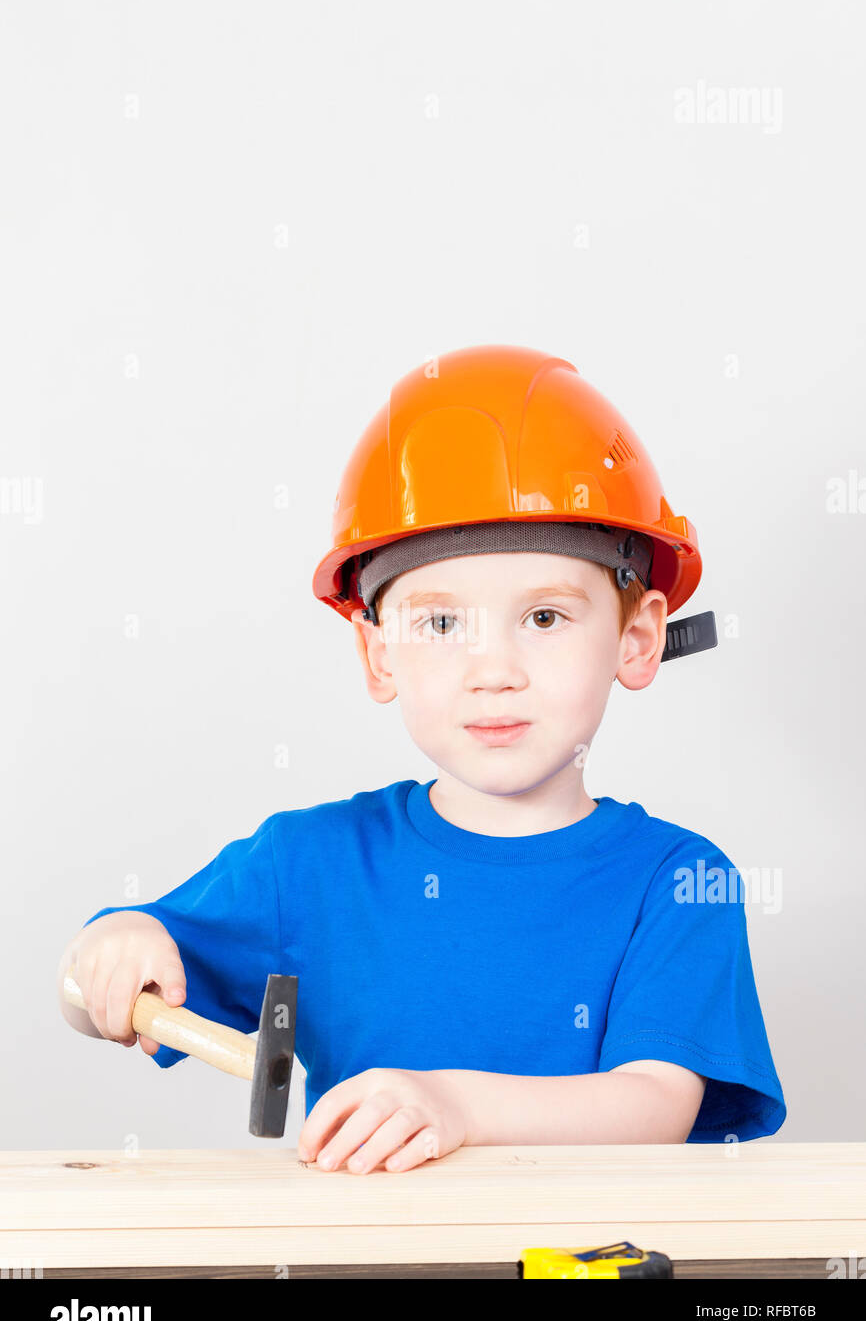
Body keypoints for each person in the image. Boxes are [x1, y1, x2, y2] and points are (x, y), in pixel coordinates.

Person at [57, 343, 785, 1174]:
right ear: (378, 656)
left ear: (638, 638)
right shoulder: (309, 867)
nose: (495, 671)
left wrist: (457, 1106)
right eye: (441, 625)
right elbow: (105, 988)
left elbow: (656, 1105)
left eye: (544, 618)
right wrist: (113, 948)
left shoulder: (680, 881)